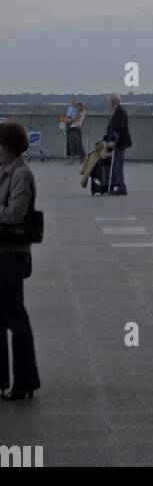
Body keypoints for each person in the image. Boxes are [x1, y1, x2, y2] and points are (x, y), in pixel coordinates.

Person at [0, 121, 41, 400]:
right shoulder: (6, 170)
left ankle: (25, 380)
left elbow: (15, 213)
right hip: (3, 251)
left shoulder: (21, 174)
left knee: (15, 316)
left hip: (12, 254)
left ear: (7, 147)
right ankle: (5, 379)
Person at [104, 94, 132, 195]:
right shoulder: (118, 110)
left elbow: (119, 128)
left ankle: (121, 187)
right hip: (118, 142)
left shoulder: (120, 111)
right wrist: (106, 138)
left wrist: (113, 140)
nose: (109, 104)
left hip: (119, 143)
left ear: (113, 101)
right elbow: (112, 128)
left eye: (110, 101)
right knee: (116, 165)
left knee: (117, 165)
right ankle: (118, 186)